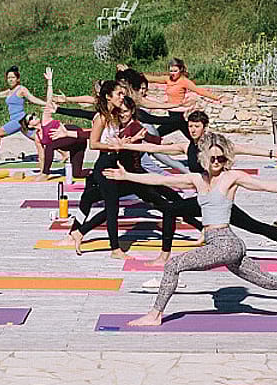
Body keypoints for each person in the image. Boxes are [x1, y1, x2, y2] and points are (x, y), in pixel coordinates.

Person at [104, 133, 277, 326]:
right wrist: (127, 176)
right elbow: (158, 180)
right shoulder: (198, 179)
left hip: (225, 243)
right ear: (204, 158)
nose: (217, 161)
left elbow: (266, 186)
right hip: (222, 244)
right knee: (267, 281)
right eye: (213, 157)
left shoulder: (231, 178)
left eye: (221, 158)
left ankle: (155, 315)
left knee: (173, 265)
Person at [117, 110, 277, 262]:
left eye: (196, 126)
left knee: (254, 226)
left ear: (204, 127)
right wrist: (125, 145)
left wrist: (272, 154)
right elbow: (153, 147)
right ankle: (165, 255)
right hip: (204, 198)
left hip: (219, 201)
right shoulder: (186, 146)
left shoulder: (214, 146)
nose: (192, 130)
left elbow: (242, 149)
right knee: (169, 210)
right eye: (190, 126)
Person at [65, 96, 204, 263]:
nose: (123, 115)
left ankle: (80, 232)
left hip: (135, 175)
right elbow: (99, 135)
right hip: (128, 175)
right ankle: (88, 236)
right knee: (156, 203)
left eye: (126, 111)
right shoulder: (119, 126)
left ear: (132, 111)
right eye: (120, 112)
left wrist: (164, 141)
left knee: (166, 199)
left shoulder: (134, 126)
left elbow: (151, 140)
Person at [0, 66, 47, 166]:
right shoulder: (9, 91)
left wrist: (46, 104)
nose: (10, 80)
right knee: (38, 137)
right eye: (8, 78)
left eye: (13, 77)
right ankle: (63, 154)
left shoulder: (21, 89)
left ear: (18, 79)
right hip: (19, 121)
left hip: (19, 120)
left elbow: (33, 98)